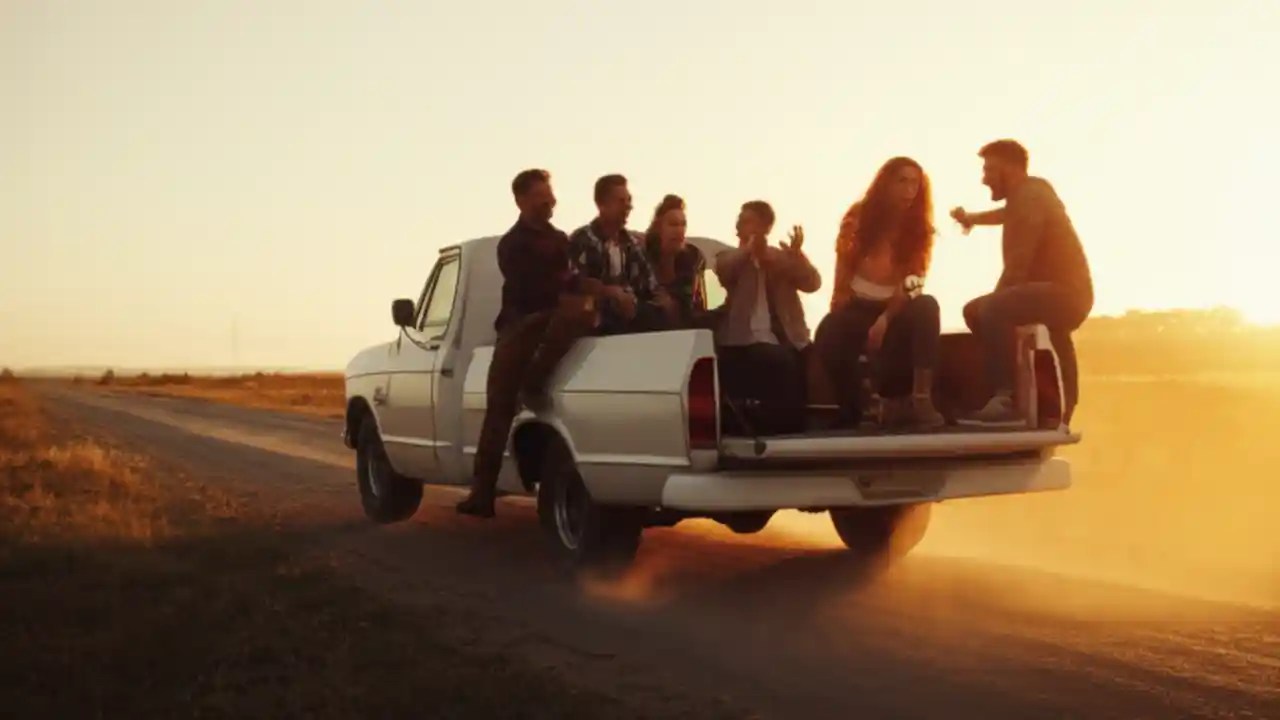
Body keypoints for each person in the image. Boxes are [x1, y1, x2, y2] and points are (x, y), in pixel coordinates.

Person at [457, 169, 602, 518]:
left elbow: (571, 280)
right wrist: (574, 286)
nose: (549, 201)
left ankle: (535, 381)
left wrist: (591, 289)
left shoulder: (561, 239)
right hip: (521, 325)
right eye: (541, 195)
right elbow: (533, 285)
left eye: (550, 194)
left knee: (583, 312)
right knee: (498, 411)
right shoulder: (511, 244)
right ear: (522, 201)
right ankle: (482, 492)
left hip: (555, 321)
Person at [951, 139, 1093, 425]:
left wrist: (995, 304)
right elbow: (1006, 215)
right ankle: (1055, 405)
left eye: (990, 170)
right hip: (1061, 294)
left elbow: (1017, 266)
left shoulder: (1029, 198)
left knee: (991, 310)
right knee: (978, 310)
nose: (984, 178)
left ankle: (1007, 400)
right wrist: (973, 219)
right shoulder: (1028, 194)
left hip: (1064, 293)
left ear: (1011, 169)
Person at [812, 156, 945, 430]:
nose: (909, 190)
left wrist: (886, 318)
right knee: (828, 332)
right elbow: (843, 261)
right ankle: (854, 406)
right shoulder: (858, 216)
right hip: (858, 303)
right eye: (902, 181)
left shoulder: (921, 228)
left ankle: (921, 399)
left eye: (915, 184)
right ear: (886, 184)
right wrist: (838, 301)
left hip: (897, 308)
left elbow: (915, 280)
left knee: (927, 306)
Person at [714, 200, 820, 435]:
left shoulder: (781, 259)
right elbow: (724, 269)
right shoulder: (730, 257)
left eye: (747, 219)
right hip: (743, 342)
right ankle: (785, 430)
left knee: (812, 360)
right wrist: (749, 251)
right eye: (740, 218)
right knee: (780, 362)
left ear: (765, 227)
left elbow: (813, 283)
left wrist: (797, 258)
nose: (739, 223)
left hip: (787, 338)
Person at [568, 175, 674, 334]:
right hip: (599, 318)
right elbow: (574, 282)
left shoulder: (632, 243)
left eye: (628, 201)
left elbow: (649, 284)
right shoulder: (582, 240)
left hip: (633, 316)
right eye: (621, 201)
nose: (628, 207)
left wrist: (664, 300)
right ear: (601, 204)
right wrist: (609, 292)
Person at [643, 193, 712, 328]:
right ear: (659, 227)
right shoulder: (643, 254)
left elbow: (695, 303)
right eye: (673, 225)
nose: (679, 231)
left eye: (683, 225)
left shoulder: (693, 257)